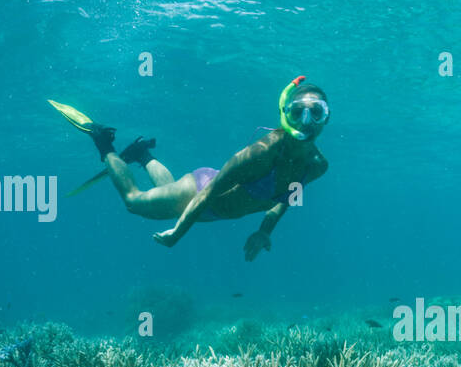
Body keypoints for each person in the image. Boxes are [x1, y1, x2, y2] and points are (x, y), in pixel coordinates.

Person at [52, 76, 329, 257]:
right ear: (286, 115)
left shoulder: (316, 166)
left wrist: (264, 231)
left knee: (165, 189)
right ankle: (102, 141)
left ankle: (142, 154)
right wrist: (177, 234)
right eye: (298, 112)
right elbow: (207, 194)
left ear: (326, 118)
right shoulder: (262, 152)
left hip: (212, 211)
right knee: (133, 202)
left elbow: (287, 198)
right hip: (199, 192)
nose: (307, 121)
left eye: (316, 112)